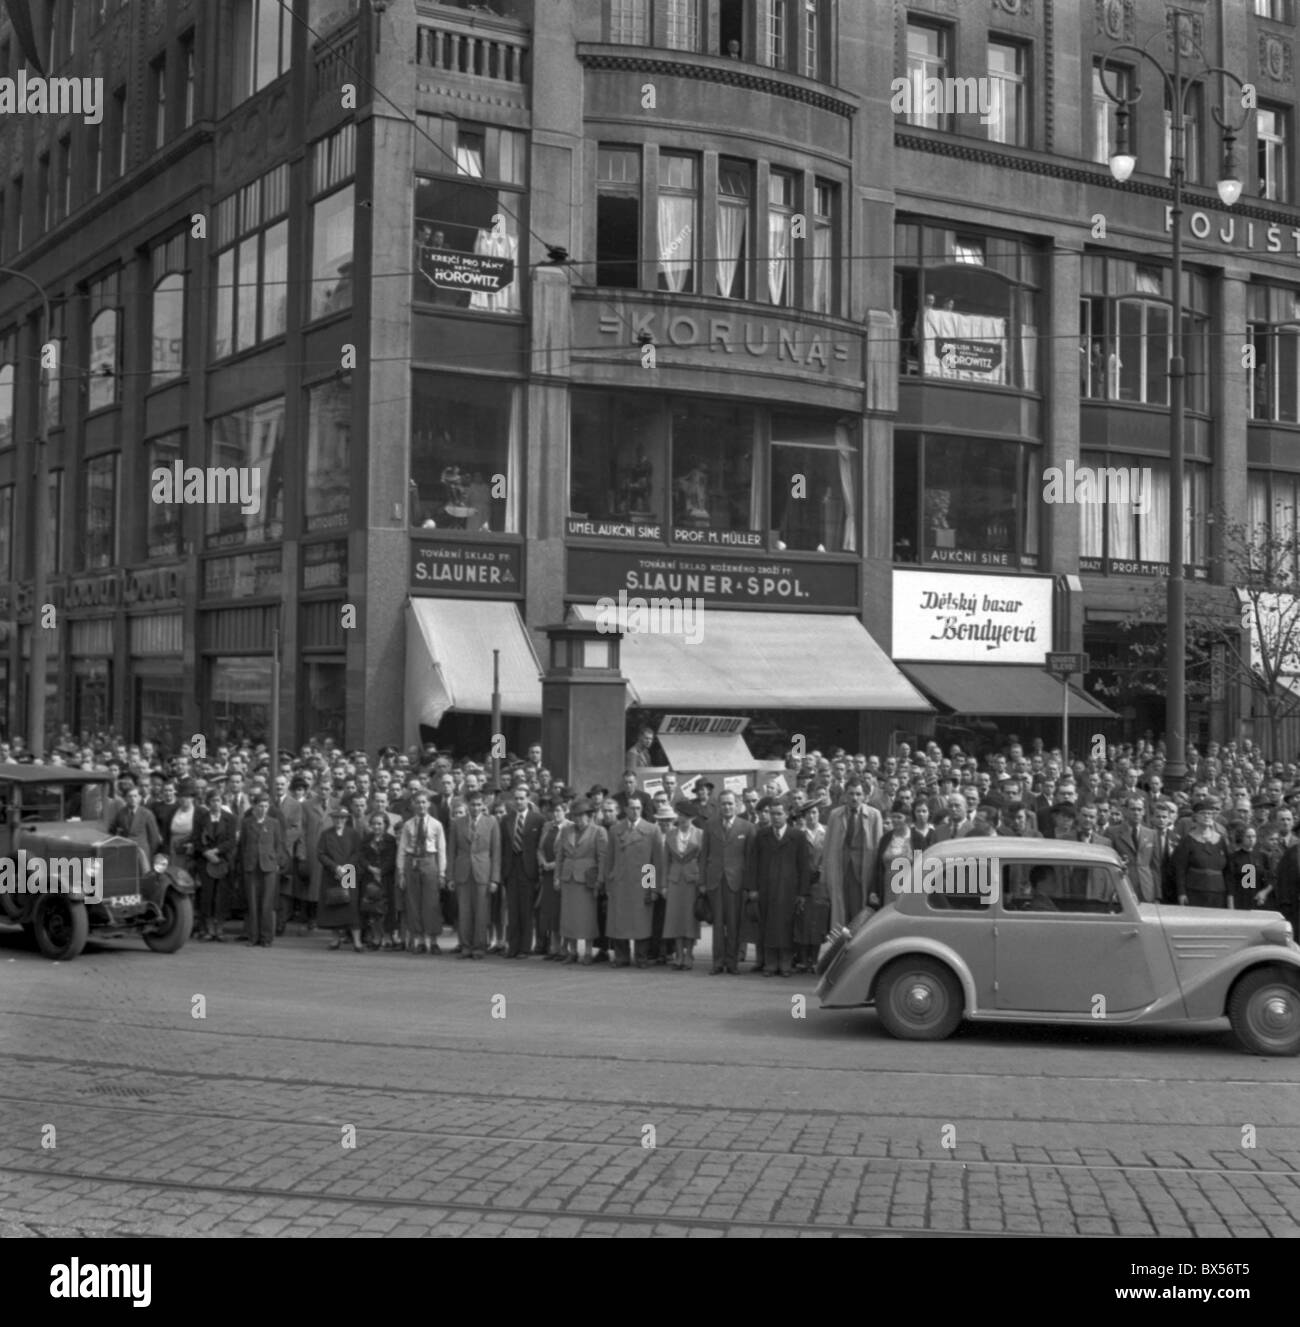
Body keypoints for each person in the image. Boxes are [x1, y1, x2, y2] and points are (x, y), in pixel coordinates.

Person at [748, 799, 810, 978]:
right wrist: (752, 888)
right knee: (767, 926)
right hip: (766, 888)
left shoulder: (797, 836)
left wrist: (802, 892)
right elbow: (753, 863)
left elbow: (804, 866)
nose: (775, 817)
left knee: (786, 926)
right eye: (772, 813)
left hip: (789, 890)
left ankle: (785, 963)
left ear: (786, 815)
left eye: (778, 813)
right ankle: (770, 963)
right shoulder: (762, 835)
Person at [604, 790, 663, 968]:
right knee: (619, 922)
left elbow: (654, 862)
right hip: (620, 883)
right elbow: (609, 860)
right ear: (625, 809)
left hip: (641, 882)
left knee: (641, 922)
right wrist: (608, 883)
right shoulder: (615, 830)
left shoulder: (652, 830)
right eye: (632, 808)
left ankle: (641, 957)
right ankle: (621, 957)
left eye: (638, 808)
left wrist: (652, 888)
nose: (635, 811)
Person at [701, 790, 756, 975]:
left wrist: (749, 886)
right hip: (715, 880)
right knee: (717, 924)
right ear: (718, 806)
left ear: (736, 805)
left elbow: (750, 860)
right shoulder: (709, 825)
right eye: (723, 803)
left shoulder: (747, 827)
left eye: (730, 803)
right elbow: (704, 856)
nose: (727, 807)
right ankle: (717, 962)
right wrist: (702, 882)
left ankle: (732, 963)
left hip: (736, 881)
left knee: (733, 923)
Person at [823, 779, 883, 929]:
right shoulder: (835, 815)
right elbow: (828, 847)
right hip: (841, 869)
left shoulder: (874, 815)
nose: (854, 798)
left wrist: (876, 880)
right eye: (851, 794)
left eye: (858, 794)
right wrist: (825, 876)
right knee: (841, 910)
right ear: (844, 795)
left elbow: (878, 848)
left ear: (864, 796)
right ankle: (839, 946)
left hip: (863, 871)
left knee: (860, 912)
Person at [450, 789, 500, 959]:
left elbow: (496, 852)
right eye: (472, 804)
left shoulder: (491, 822)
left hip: (483, 872)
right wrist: (450, 876)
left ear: (483, 805)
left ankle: (479, 946)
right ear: (467, 805)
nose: (476, 808)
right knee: (464, 911)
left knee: (481, 912)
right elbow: (452, 851)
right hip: (463, 871)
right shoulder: (457, 823)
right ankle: (465, 946)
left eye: (479, 804)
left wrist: (494, 878)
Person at [555, 797, 605, 964]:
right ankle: (572, 951)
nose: (577, 819)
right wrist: (557, 876)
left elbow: (602, 858)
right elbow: (560, 856)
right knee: (569, 917)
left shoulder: (598, 831)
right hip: (568, 878)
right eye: (575, 816)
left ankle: (588, 952)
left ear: (589, 816)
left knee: (587, 918)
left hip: (587, 880)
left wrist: (600, 880)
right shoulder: (566, 831)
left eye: (581, 815)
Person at [397, 790, 447, 954]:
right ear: (413, 805)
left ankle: (433, 940)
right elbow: (402, 849)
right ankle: (419, 940)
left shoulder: (436, 824)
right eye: (418, 802)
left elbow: (441, 849)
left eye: (424, 802)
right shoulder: (408, 825)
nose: (421, 805)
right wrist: (401, 872)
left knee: (431, 902)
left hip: (429, 861)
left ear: (429, 804)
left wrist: (441, 872)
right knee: (413, 902)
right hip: (412, 862)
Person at [237, 791, 288, 948]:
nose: (263, 809)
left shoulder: (274, 823)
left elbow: (279, 844)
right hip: (251, 866)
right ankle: (253, 937)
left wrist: (278, 861)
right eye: (260, 805)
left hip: (269, 866)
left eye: (266, 806)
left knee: (267, 903)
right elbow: (242, 845)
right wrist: (243, 864)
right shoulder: (247, 823)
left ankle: (266, 937)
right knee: (252, 902)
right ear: (254, 806)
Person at [502, 784, 544, 958]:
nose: (519, 801)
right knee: (512, 910)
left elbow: (540, 846)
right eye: (516, 798)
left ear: (528, 799)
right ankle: (513, 946)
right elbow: (503, 846)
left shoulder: (537, 820)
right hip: (511, 868)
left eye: (522, 798)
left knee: (526, 910)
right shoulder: (506, 819)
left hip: (528, 869)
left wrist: (539, 870)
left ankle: (525, 948)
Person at [662, 800, 704, 969]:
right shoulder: (671, 834)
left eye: (685, 816)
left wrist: (702, 882)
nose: (681, 818)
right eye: (679, 815)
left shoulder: (700, 834)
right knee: (675, 919)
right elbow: (665, 861)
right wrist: (662, 885)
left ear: (692, 817)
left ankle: (689, 954)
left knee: (690, 919)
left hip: (692, 879)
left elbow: (703, 860)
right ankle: (678, 954)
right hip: (674, 880)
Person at [191, 788, 236, 942]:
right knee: (207, 895)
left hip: (223, 861)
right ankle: (209, 929)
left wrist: (216, 851)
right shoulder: (201, 819)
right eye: (212, 801)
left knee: (222, 895)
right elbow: (196, 840)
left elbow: (231, 841)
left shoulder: (230, 818)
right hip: (206, 862)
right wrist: (206, 853)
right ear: (208, 802)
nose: (215, 804)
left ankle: (220, 929)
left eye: (218, 801)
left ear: (222, 802)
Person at [318, 805, 364, 952]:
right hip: (331, 873)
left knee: (351, 905)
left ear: (346, 819)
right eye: (336, 817)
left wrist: (346, 867)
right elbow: (321, 854)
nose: (339, 820)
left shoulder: (353, 834)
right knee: (334, 903)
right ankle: (335, 939)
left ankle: (357, 941)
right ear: (332, 818)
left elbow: (358, 853)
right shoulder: (326, 834)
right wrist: (335, 867)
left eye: (342, 817)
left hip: (349, 872)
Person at [1172, 799, 1228, 908]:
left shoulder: (1221, 840)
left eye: (1210, 813)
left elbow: (1228, 870)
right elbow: (1180, 869)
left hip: (1218, 892)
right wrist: (1181, 892)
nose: (1207, 816)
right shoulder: (1187, 841)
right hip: (1195, 891)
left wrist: (1230, 895)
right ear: (1195, 817)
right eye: (1203, 813)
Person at [795, 799, 829, 973]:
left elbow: (830, 855)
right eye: (808, 813)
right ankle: (802, 959)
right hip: (803, 881)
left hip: (821, 882)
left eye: (814, 812)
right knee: (803, 921)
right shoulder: (798, 833)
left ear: (819, 814)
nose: (811, 816)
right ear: (803, 815)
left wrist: (822, 870)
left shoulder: (827, 832)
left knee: (818, 921)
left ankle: (814, 960)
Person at [361, 810, 398, 949]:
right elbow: (361, 856)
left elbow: (392, 858)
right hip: (369, 877)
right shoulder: (366, 839)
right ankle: (376, 937)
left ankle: (388, 937)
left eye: (379, 824)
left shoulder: (391, 840)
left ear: (386, 825)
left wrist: (381, 871)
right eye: (374, 824)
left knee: (387, 909)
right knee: (372, 908)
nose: (376, 827)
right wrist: (370, 868)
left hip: (386, 878)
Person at [535, 797, 566, 959]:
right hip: (547, 875)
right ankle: (554, 948)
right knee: (550, 912)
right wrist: (543, 863)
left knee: (561, 912)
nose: (556, 814)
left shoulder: (569, 827)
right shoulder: (547, 826)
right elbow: (539, 848)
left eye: (559, 810)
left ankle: (564, 948)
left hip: (560, 874)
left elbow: (567, 854)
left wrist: (554, 865)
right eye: (553, 811)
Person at [1225, 822, 1266, 912]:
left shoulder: (1262, 856)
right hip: (1240, 900)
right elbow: (1230, 883)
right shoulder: (1233, 857)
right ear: (1241, 838)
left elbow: (1271, 878)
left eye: (1254, 836)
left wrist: (1264, 892)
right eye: (1248, 837)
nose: (1251, 839)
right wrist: (1231, 907)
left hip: (1258, 901)